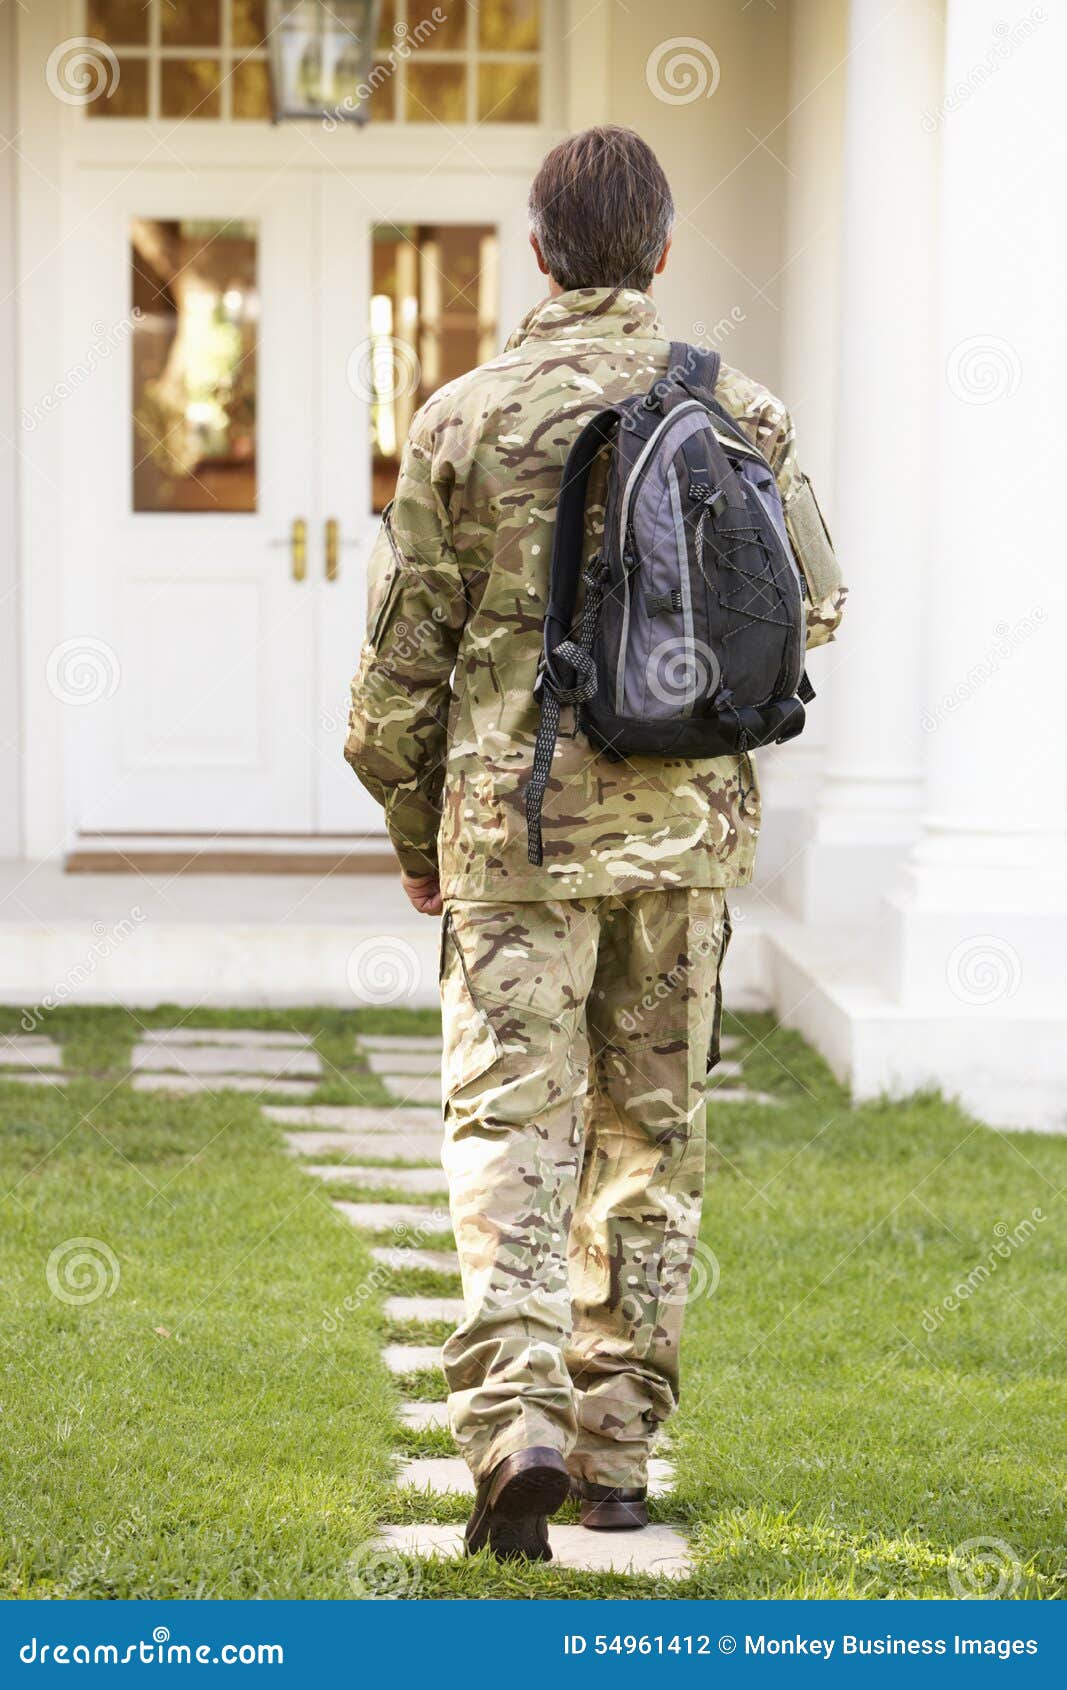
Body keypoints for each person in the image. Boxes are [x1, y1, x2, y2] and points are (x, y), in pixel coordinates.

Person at [346, 126, 846, 1563]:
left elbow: (396, 686)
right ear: (664, 252)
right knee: (653, 1139)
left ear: (541, 249)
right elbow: (814, 609)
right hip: (684, 845)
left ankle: (518, 1421)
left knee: (510, 1127)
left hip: (512, 841)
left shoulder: (462, 419)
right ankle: (618, 1450)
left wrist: (412, 835)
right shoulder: (738, 409)